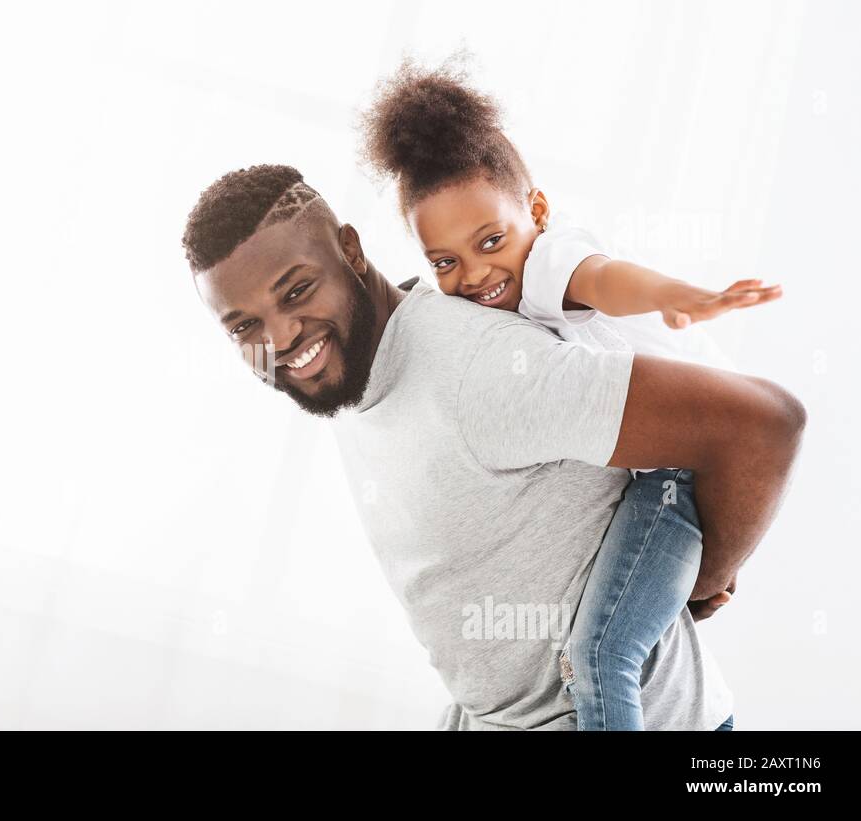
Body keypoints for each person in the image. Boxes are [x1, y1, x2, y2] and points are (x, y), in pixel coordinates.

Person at [181, 164, 805, 729]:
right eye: (245, 325)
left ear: (350, 250)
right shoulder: (352, 372)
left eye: (296, 292)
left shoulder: (478, 368)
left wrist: (702, 581)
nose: (283, 337)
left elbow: (762, 424)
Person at [354, 61, 783, 730]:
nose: (474, 274)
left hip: (676, 480)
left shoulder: (547, 265)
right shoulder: (476, 323)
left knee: (597, 657)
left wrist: (680, 295)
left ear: (538, 212)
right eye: (445, 261)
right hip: (658, 486)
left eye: (490, 241)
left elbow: (604, 278)